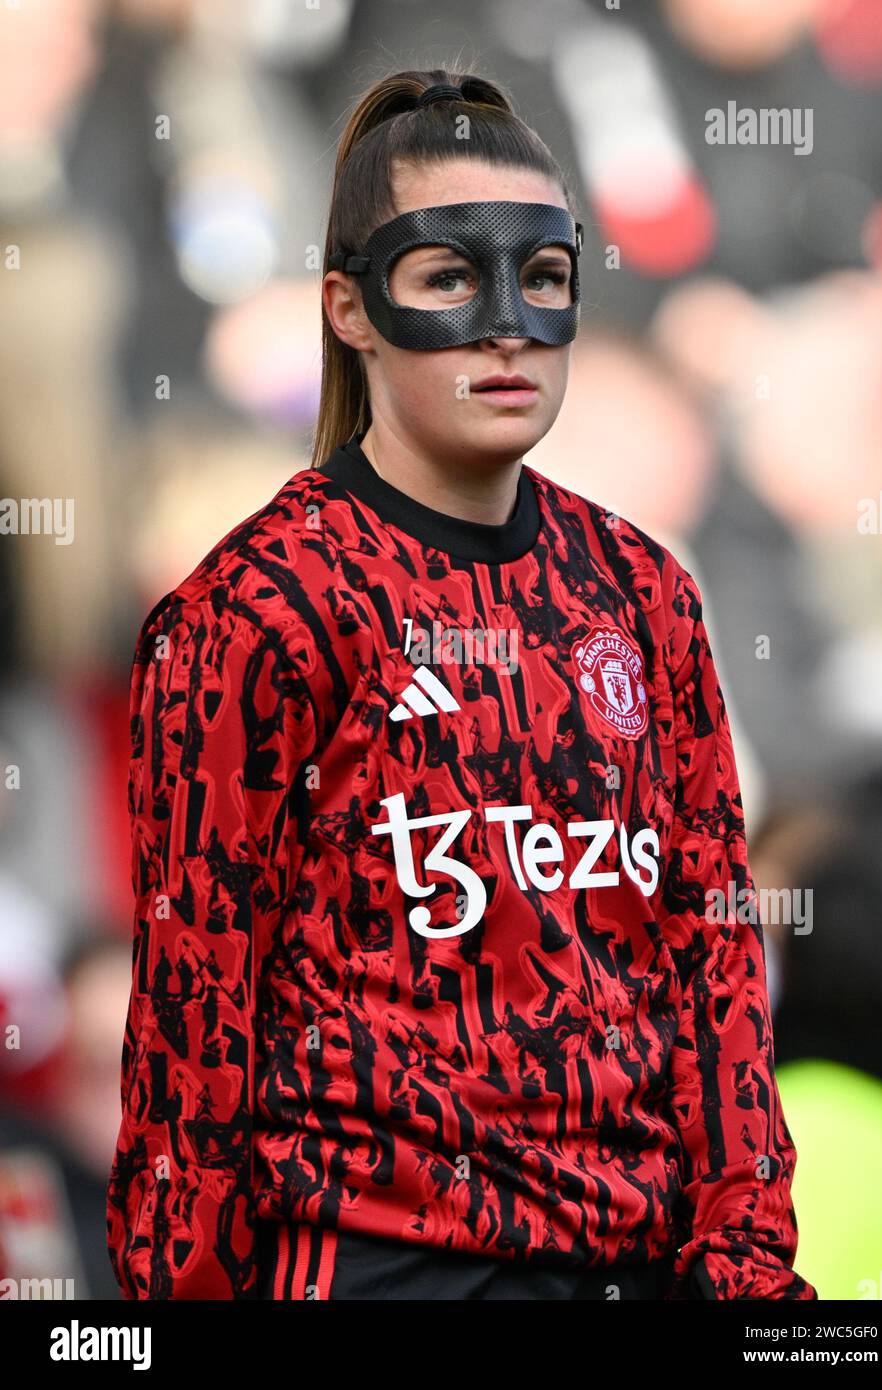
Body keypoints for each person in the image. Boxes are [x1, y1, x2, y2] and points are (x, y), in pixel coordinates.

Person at [105, 65, 817, 1301]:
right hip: (382, 1265)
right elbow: (190, 1019)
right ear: (348, 308)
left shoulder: (646, 593)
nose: (506, 325)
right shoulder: (258, 609)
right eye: (448, 277)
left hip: (632, 1265)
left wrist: (748, 1278)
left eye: (542, 278)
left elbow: (717, 974)